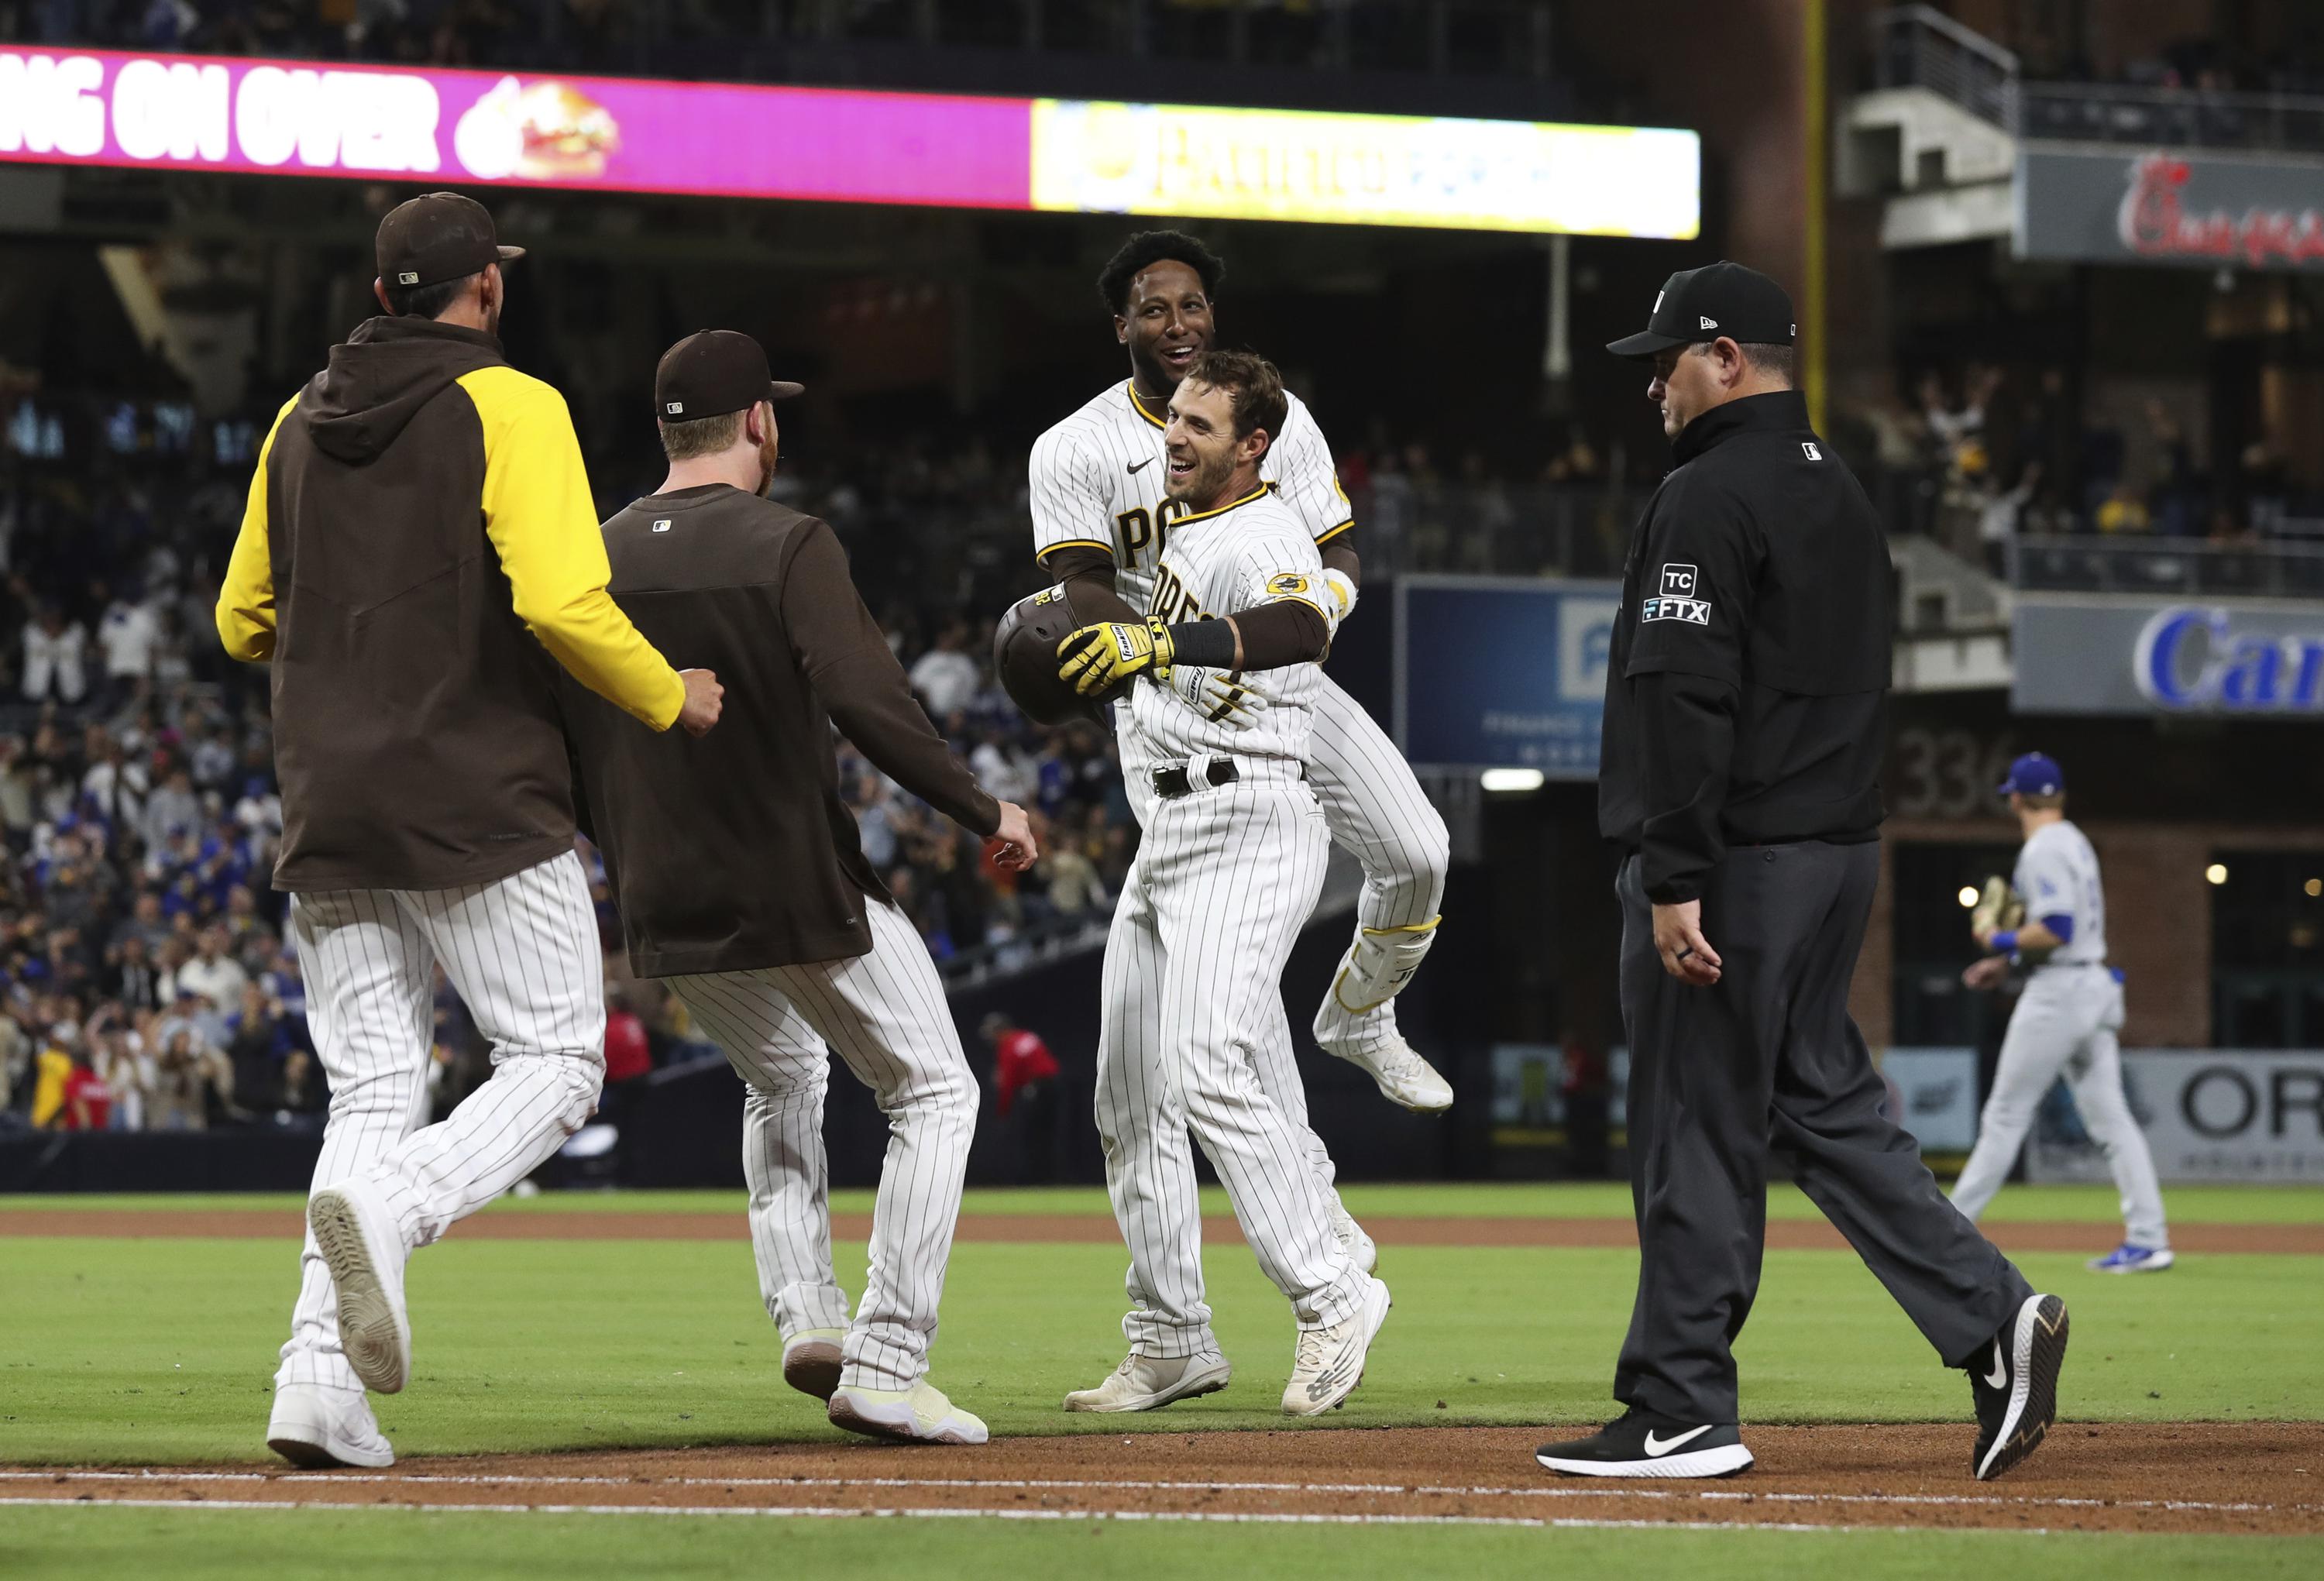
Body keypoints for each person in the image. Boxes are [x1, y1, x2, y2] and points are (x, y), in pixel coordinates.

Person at [215, 192, 723, 1473]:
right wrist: (670, 690)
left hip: (329, 795)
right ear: (483, 290)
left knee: (376, 1087)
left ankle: (316, 1383)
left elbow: (240, 620)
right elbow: (558, 598)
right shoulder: (511, 402)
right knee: (555, 1061)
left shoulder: (295, 417)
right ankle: (397, 1204)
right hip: (474, 791)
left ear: (387, 293)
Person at [1541, 263, 2067, 1484]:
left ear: (1727, 358)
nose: (1655, 387)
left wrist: (1676, 875)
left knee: (1694, 1121)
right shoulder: (1845, 495)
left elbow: (1684, 698)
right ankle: (1994, 1322)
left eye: (1667, 361)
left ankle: (1679, 1405)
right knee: (1821, 1106)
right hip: (1837, 852)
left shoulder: (1706, 495)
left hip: (1737, 864)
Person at [559, 329, 1035, 1446]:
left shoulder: (590, 554)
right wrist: (986, 809)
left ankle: (809, 1314)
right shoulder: (788, 539)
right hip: (787, 876)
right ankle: (886, 1359)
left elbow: (561, 740)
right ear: (760, 424)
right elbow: (870, 701)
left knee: (783, 1074)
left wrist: (628, 846)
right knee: (933, 1092)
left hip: (663, 895)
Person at [1030, 230, 1452, 1129]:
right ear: (1121, 326)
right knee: (1233, 998)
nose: (1177, 322)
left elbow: (1337, 551)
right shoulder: (1074, 446)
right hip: (1168, 706)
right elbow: (1082, 585)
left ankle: (1360, 1012)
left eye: (1192, 304)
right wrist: (1150, 654)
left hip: (1267, 664)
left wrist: (1319, 612)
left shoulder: (1275, 414)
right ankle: (1312, 1218)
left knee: (1419, 850)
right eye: (1154, 307)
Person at [1045, 349, 1391, 1418]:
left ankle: (1334, 1290)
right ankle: (1171, 1336)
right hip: (1172, 830)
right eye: (1174, 419)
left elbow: (1303, 626)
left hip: (1252, 814)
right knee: (1128, 1091)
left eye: (1201, 423)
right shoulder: (1186, 530)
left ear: (1255, 445)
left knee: (1204, 1061)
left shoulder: (1266, 531)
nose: (1175, 436)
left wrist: (1158, 640)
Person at [1953, 754, 2171, 1273]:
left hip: (2061, 992)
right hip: (2090, 982)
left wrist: (1998, 937)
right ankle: (2149, 1237)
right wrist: (2005, 962)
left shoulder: (2043, 848)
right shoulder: (2073, 840)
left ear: (2016, 798)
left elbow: (2057, 927)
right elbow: (2063, 932)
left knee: (2006, 1113)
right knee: (2112, 1117)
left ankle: (1948, 1229)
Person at [983, 1011, 1064, 1184]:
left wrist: (1002, 1112)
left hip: (1038, 1088)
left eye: (994, 1033)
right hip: (1054, 1085)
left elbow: (1008, 1083)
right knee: (1046, 1135)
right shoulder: (1026, 1036)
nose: (992, 1038)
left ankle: (1038, 1180)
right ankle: (1050, 1178)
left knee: (1033, 1137)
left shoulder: (1008, 1045)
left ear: (1003, 1030)